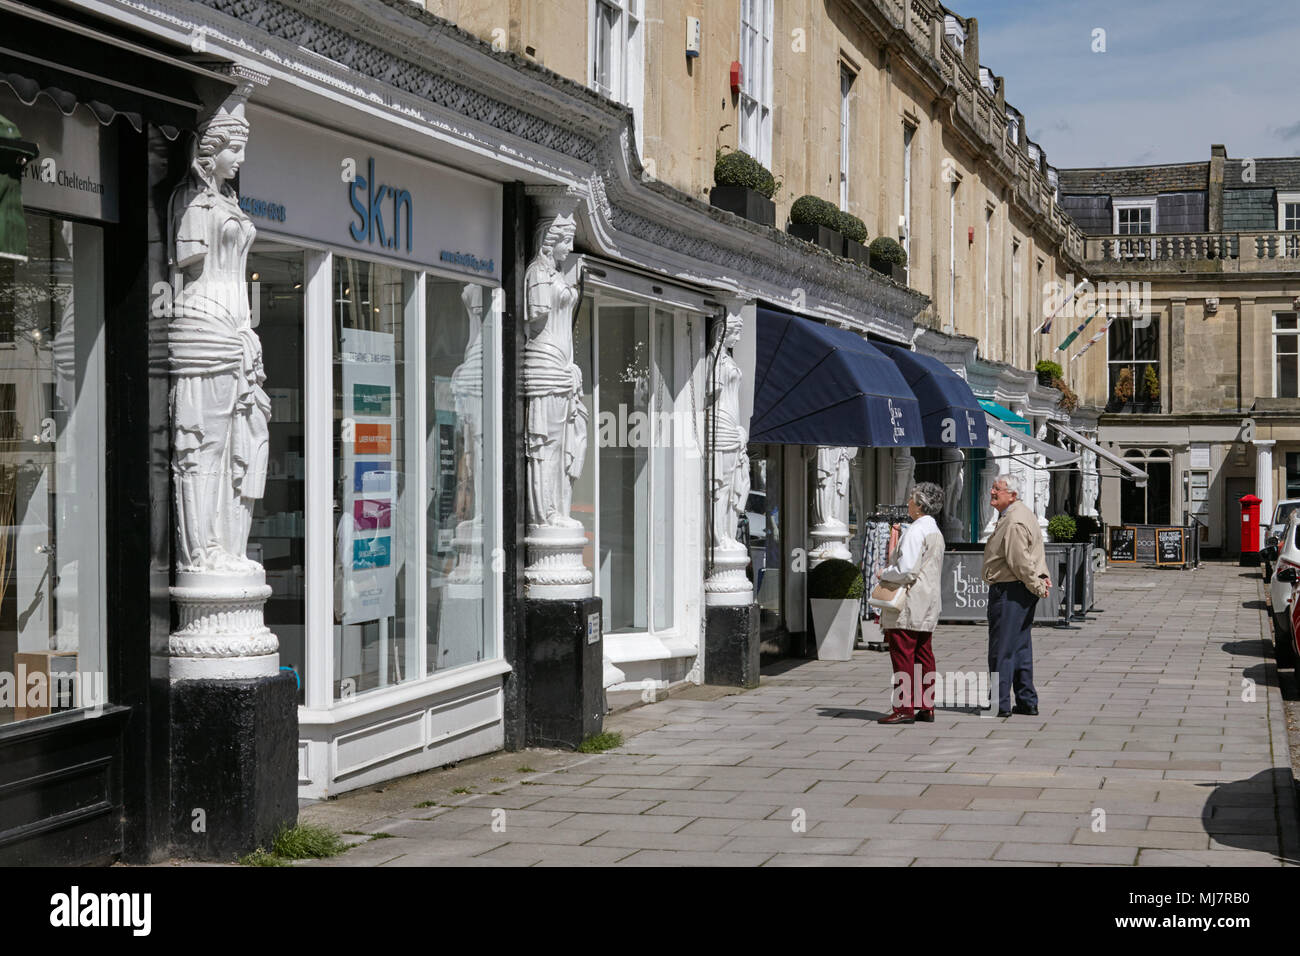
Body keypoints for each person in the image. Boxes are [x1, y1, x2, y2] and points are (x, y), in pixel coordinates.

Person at [982, 472, 1051, 718]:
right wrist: (1039, 580)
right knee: (1020, 647)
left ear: (1012, 495)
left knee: (1001, 649)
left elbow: (1019, 560)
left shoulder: (1013, 520)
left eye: (997, 489)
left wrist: (1036, 584)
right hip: (1019, 588)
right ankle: (1026, 700)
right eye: (993, 487)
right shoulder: (1020, 514)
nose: (992, 492)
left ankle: (999, 703)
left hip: (1010, 589)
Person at [877, 482, 946, 725]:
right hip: (929, 599)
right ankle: (926, 705)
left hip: (909, 599)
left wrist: (884, 573)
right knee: (924, 653)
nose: (908, 503)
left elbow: (906, 570)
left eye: (911, 499)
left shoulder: (916, 531)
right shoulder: (935, 530)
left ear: (919, 505)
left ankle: (904, 708)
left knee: (903, 653)